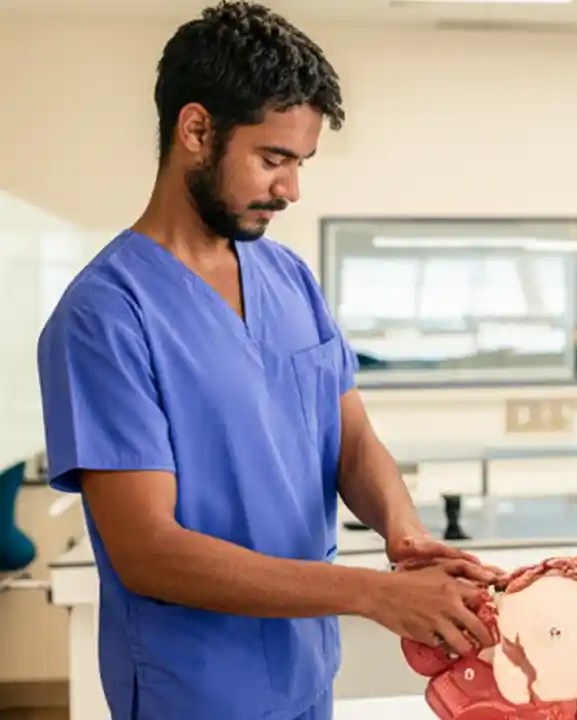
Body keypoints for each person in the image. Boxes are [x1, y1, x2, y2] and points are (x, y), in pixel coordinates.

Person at [35, 3, 494, 718]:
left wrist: (404, 537)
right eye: (273, 159)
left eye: (300, 162)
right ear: (195, 131)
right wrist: (374, 594)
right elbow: (147, 551)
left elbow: (354, 444)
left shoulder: (288, 278)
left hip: (305, 674)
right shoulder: (105, 316)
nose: (291, 189)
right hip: (194, 691)